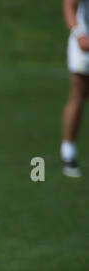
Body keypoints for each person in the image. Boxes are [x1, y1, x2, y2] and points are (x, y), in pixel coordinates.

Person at [62, 0, 89, 177]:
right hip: (85, 45)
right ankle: (68, 153)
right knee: (78, 96)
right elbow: (69, 5)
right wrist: (79, 34)